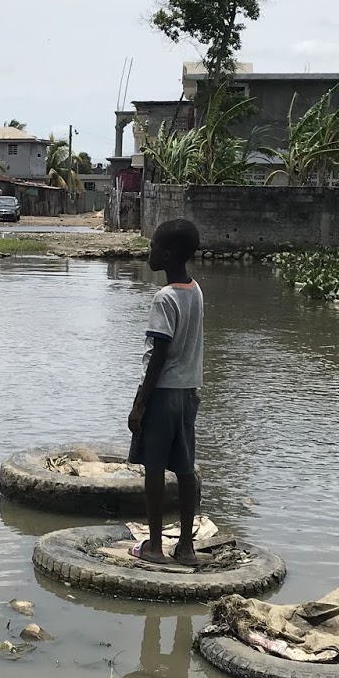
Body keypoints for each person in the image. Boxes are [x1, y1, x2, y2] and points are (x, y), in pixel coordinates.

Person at [127, 218, 203, 565]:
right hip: (188, 392)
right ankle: (186, 547)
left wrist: (140, 404)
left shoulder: (164, 298)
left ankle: (154, 546)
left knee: (155, 469)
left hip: (163, 393)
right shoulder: (195, 291)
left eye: (153, 246)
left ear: (168, 255)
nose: (149, 251)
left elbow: (158, 357)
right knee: (185, 469)